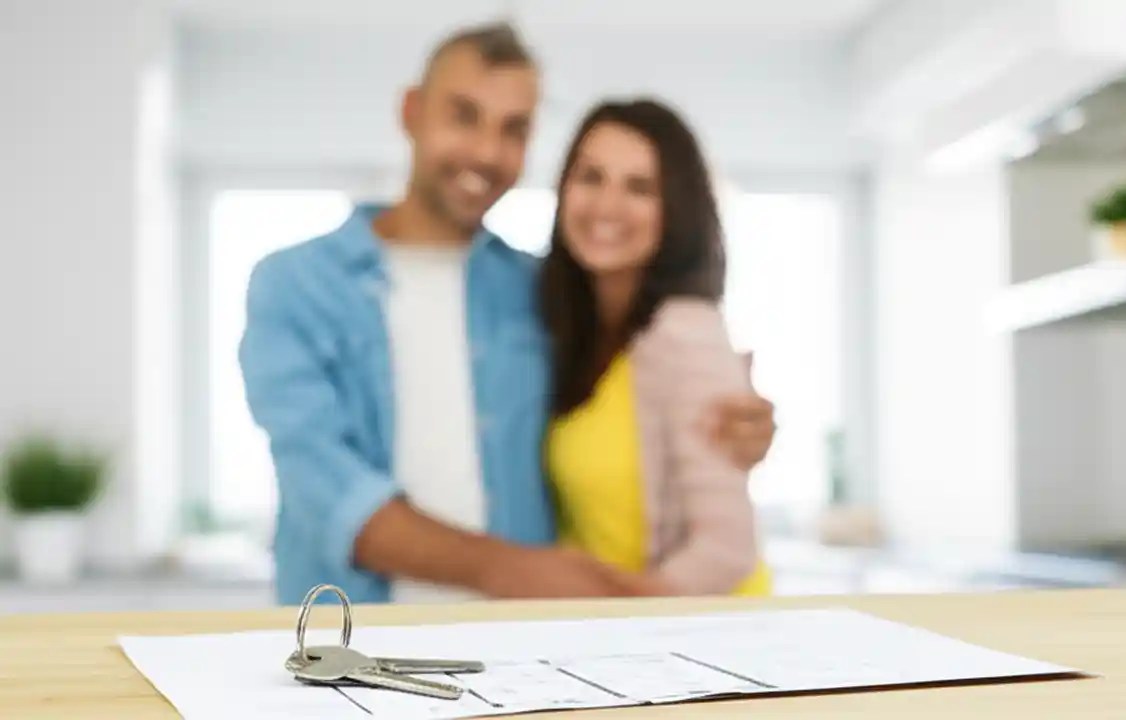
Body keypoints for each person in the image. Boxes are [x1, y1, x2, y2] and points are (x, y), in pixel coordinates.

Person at [239, 22, 777, 605]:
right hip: (357, 632)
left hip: (519, 647)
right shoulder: (294, 284)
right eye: (464, 116)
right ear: (412, 112)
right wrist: (511, 571)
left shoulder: (537, 287)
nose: (486, 152)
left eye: (513, 129)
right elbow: (325, 486)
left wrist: (743, 428)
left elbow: (648, 401)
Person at [542, 100, 771, 596]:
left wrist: (616, 608)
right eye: (591, 177)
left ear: (677, 210)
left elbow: (726, 552)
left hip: (698, 640)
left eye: (640, 187)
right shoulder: (575, 334)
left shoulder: (686, 333)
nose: (607, 205)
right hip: (617, 636)